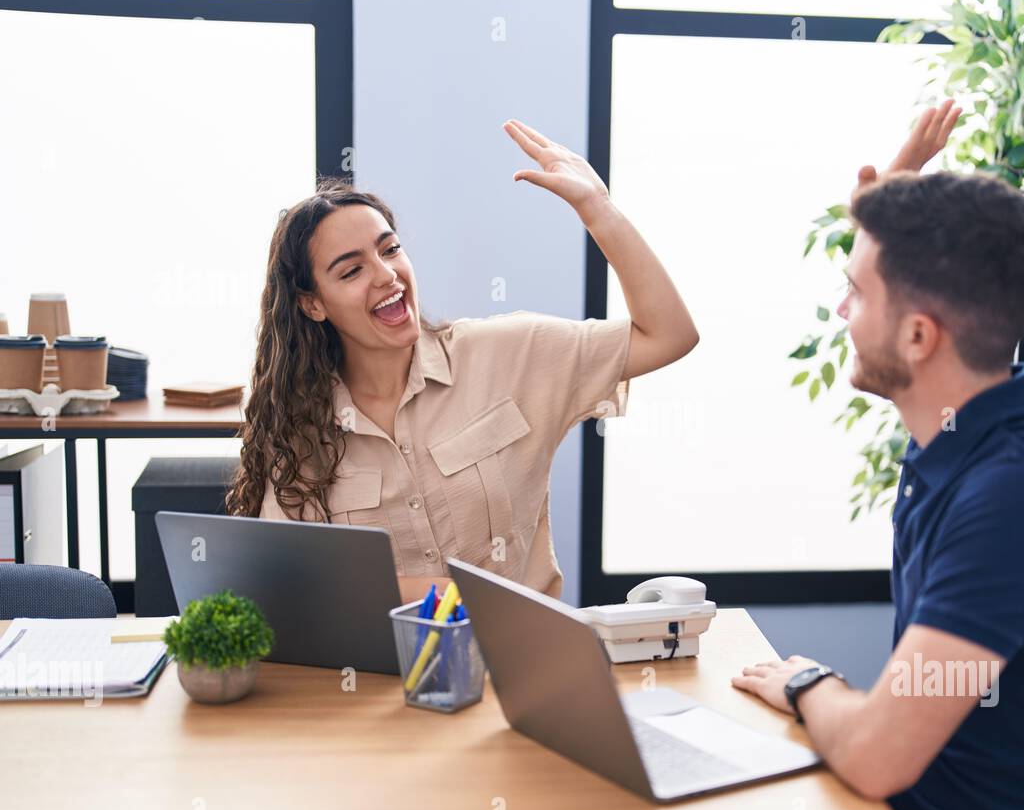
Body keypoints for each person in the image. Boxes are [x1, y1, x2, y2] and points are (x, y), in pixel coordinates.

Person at [732, 106, 1024, 810]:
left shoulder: (1015, 500)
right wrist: (897, 197)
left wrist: (808, 683)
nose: (842, 311)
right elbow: (912, 289)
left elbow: (879, 757)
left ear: (918, 336)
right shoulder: (965, 431)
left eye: (856, 293)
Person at [227, 120, 698, 603]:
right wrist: (450, 593)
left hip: (519, 665)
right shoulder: (301, 426)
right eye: (351, 270)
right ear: (313, 304)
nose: (387, 274)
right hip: (375, 674)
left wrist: (597, 208)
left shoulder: (508, 354)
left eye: (390, 249)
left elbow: (669, 335)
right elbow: (287, 588)